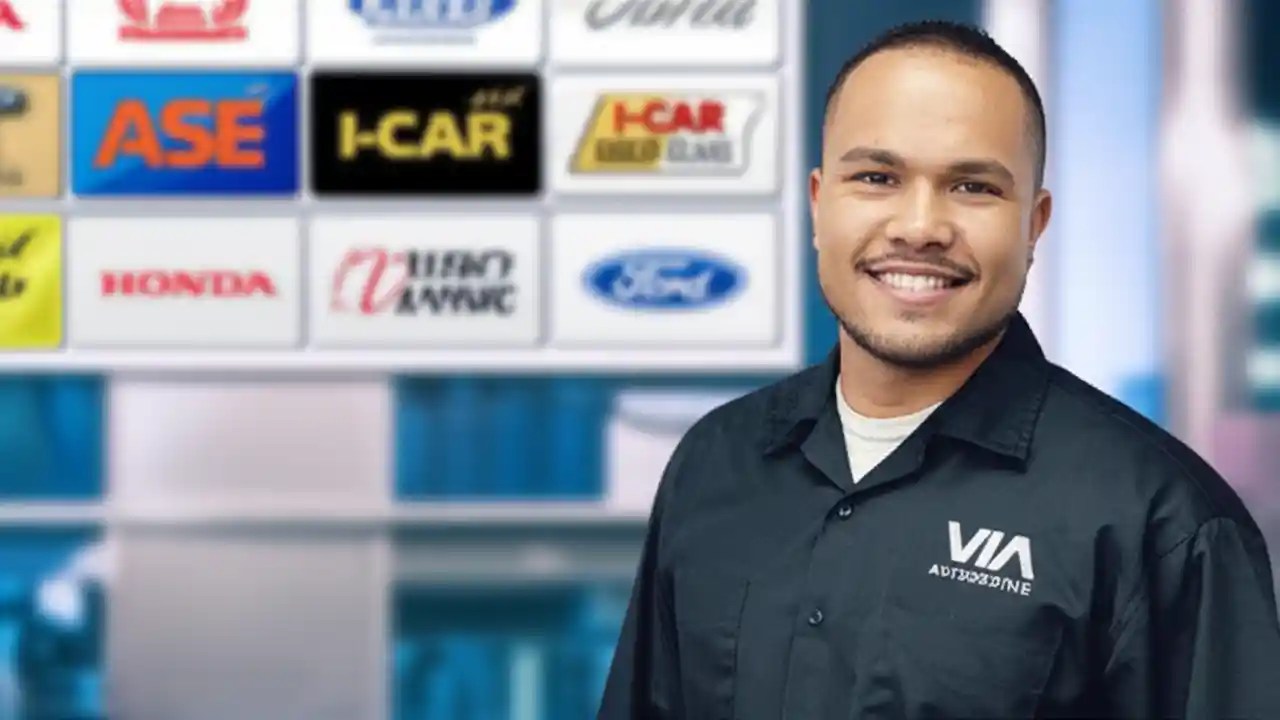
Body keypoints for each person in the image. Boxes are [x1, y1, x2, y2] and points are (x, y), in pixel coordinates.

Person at [596, 19, 1280, 720]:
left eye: (973, 187)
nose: (920, 226)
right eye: (876, 177)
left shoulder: (1160, 522)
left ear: (1034, 225)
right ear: (818, 203)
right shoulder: (716, 464)